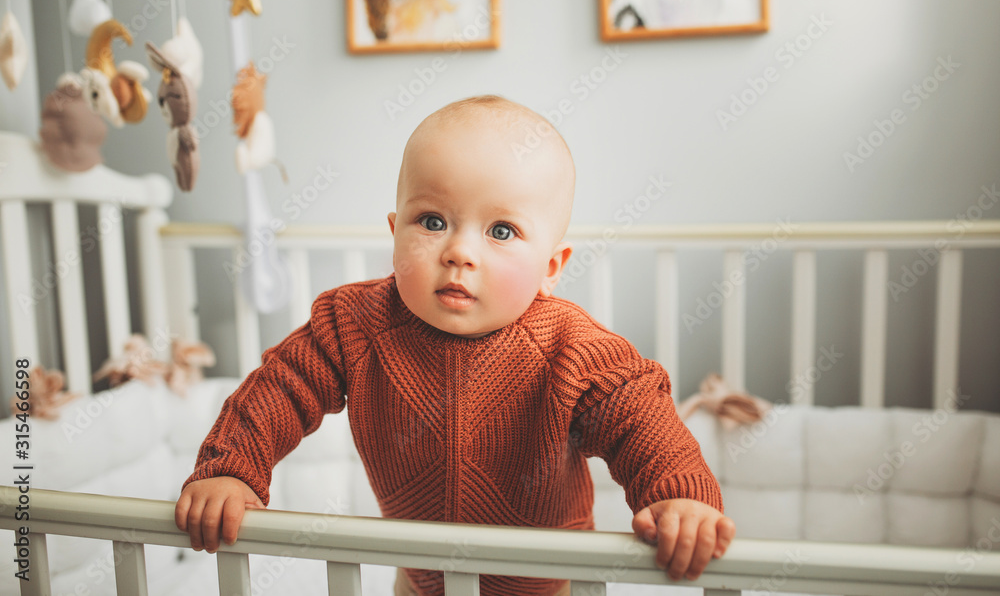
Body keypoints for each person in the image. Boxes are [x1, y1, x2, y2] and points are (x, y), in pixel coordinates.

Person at [174, 95, 736, 596]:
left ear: (551, 266)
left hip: (547, 585)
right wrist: (232, 468)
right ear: (394, 231)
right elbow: (281, 386)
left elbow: (640, 416)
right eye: (433, 220)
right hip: (419, 579)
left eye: (500, 231)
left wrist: (677, 494)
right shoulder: (353, 325)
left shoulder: (573, 349)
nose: (460, 251)